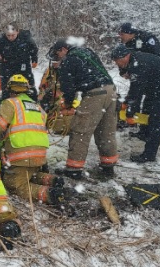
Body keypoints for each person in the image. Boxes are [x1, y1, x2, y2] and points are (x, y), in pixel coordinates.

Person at [0, 74, 67, 207]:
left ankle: (49, 194)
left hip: (20, 154)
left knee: (15, 185)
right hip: (40, 155)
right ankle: (51, 180)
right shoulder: (38, 107)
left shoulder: (10, 103)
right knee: (31, 175)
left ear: (9, 89)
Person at [51, 40, 119, 179]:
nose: (58, 58)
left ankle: (73, 170)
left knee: (81, 130)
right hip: (111, 91)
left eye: (58, 54)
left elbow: (68, 87)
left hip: (95, 94)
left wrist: (68, 105)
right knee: (106, 130)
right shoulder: (86, 52)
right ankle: (108, 166)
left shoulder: (68, 61)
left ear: (64, 49)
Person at [110, 44, 160, 163]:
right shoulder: (133, 61)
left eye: (117, 61)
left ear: (125, 57)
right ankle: (144, 133)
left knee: (156, 118)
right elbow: (134, 89)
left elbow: (137, 92)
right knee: (147, 106)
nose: (116, 64)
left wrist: (130, 115)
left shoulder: (138, 65)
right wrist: (126, 103)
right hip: (159, 84)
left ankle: (149, 155)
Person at [117, 21, 160, 140]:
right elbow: (121, 58)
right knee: (135, 97)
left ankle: (147, 132)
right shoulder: (126, 43)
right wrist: (124, 72)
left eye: (122, 34)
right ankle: (139, 128)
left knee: (149, 103)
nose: (120, 36)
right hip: (138, 76)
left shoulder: (147, 39)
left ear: (130, 33)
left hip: (153, 77)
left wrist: (146, 69)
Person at [0, 21, 39, 98]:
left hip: (23, 64)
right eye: (8, 35)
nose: (10, 38)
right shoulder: (1, 40)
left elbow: (33, 49)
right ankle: (7, 104)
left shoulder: (25, 37)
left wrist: (34, 60)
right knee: (6, 88)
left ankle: (32, 101)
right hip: (7, 65)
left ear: (17, 31)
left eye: (13, 35)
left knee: (28, 86)